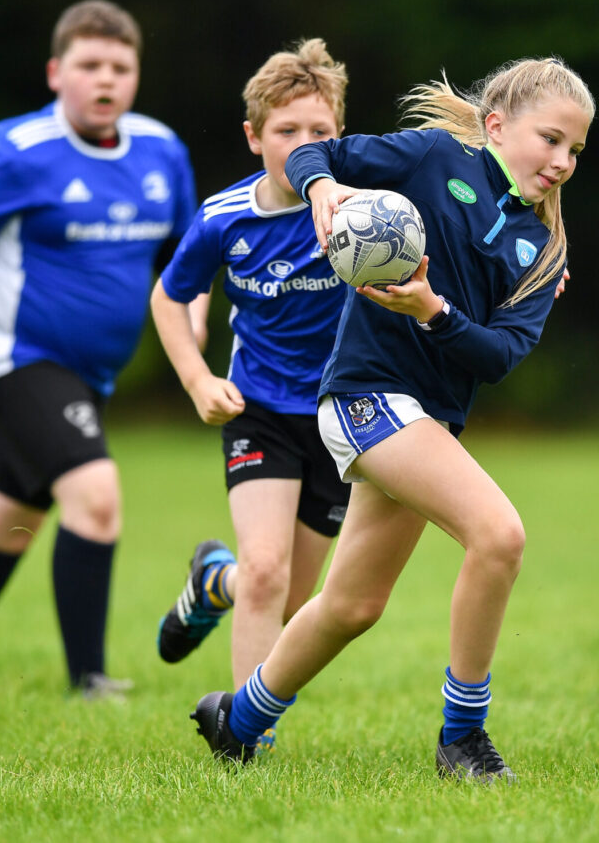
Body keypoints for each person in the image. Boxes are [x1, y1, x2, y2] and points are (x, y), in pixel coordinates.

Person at [186, 57, 594, 784]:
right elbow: (315, 152)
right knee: (499, 536)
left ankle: (236, 721)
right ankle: (462, 738)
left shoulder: (543, 248)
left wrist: (431, 311)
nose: (562, 162)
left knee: (352, 605)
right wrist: (323, 187)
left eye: (575, 150)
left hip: (427, 419)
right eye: (551, 140)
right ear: (497, 126)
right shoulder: (435, 159)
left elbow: (498, 355)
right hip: (364, 396)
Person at [0, 0, 199, 698]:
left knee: (7, 523)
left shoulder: (160, 150)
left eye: (120, 65)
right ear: (56, 72)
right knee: (96, 495)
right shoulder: (15, 153)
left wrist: (193, 321)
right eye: (88, 65)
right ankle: (89, 679)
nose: (104, 79)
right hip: (13, 356)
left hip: (90, 375)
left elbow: (187, 259)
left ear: (137, 74)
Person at [151, 40, 351, 744]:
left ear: (341, 137)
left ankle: (214, 584)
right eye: (286, 131)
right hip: (258, 408)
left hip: (341, 419)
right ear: (253, 137)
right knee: (266, 571)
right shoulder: (223, 218)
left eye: (319, 133)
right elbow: (171, 298)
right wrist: (198, 378)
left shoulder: (362, 212)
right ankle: (245, 735)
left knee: (295, 601)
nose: (303, 146)